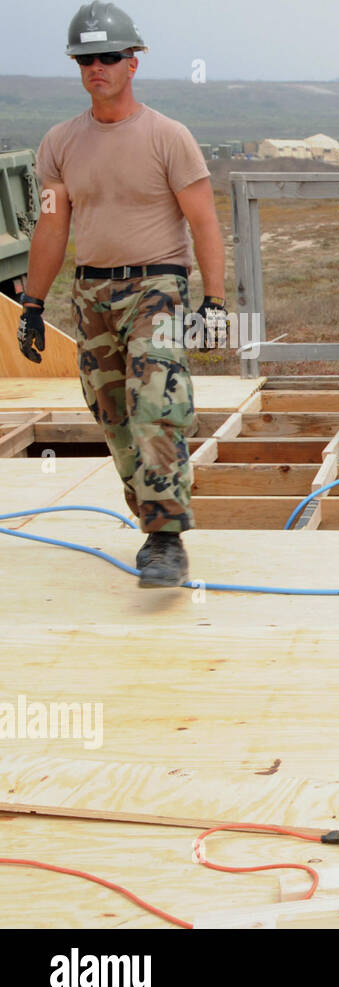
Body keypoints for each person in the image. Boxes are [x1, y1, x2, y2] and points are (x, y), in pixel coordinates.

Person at [16, 2, 226, 588]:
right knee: (112, 415)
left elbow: (205, 223)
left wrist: (214, 302)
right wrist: (32, 305)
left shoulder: (168, 137)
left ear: (133, 63)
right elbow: (53, 226)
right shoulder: (59, 143)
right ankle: (152, 519)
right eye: (86, 58)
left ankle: (166, 537)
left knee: (155, 400)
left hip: (157, 285)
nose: (96, 67)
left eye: (108, 56)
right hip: (91, 294)